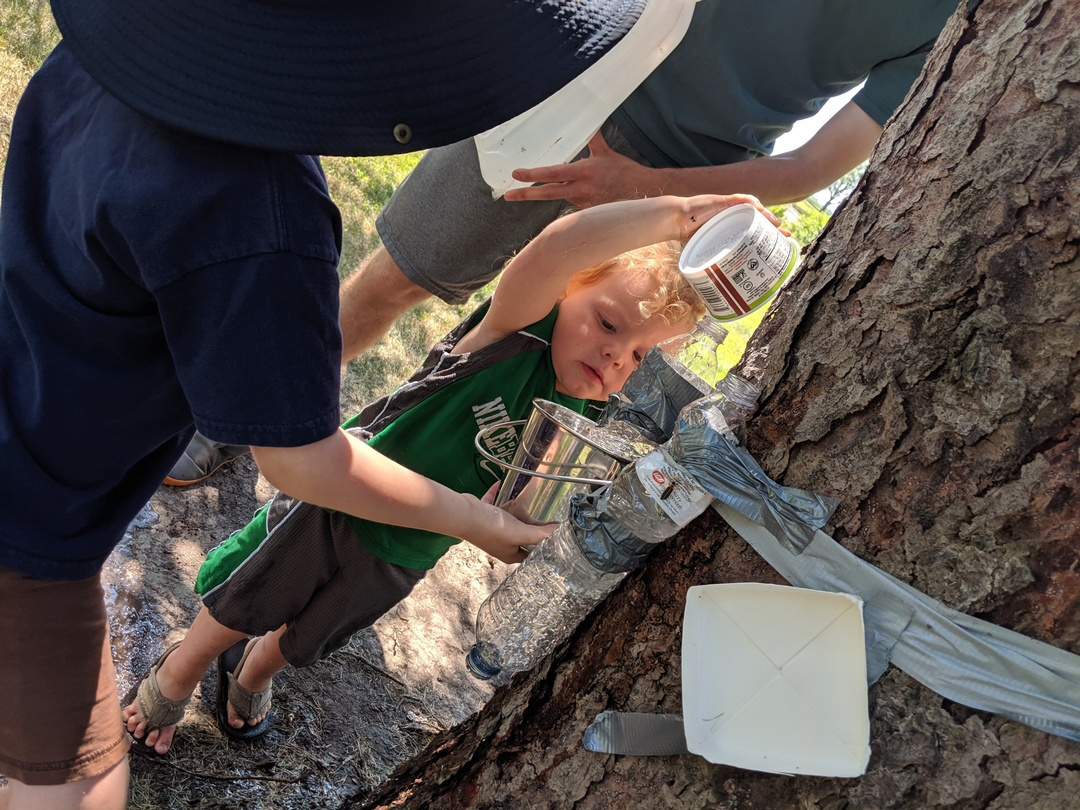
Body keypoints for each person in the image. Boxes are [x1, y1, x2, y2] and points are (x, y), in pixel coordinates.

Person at [0, 0, 647, 807]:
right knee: (80, 780)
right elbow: (301, 460)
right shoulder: (263, 216)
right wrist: (472, 518)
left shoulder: (109, 59)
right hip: (31, 524)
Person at [169, 0, 967, 485]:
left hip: (681, 183)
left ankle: (362, 494)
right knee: (398, 277)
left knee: (508, 361)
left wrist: (646, 189)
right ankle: (242, 416)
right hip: (564, 89)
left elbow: (810, 166)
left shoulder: (961, 19)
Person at [121, 193, 760, 755]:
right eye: (608, 323)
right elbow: (557, 248)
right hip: (340, 500)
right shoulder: (516, 333)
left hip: (408, 550)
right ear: (569, 290)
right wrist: (682, 216)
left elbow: (520, 507)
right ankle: (180, 672)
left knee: (313, 634)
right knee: (248, 593)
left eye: (638, 353)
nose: (613, 354)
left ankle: (255, 671)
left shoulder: (585, 417)